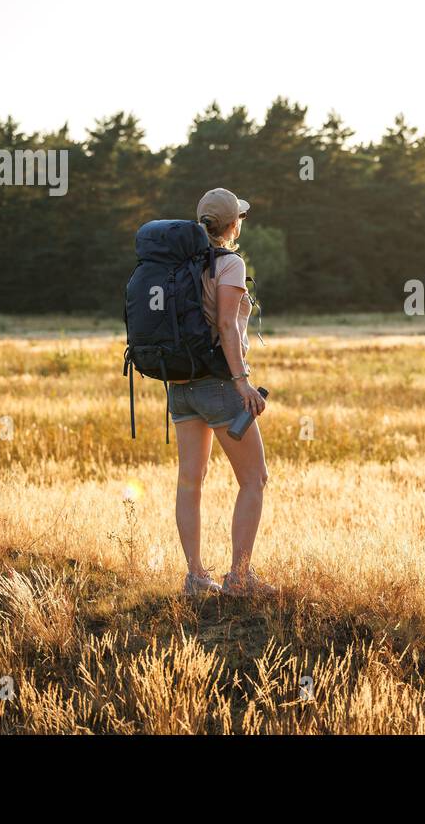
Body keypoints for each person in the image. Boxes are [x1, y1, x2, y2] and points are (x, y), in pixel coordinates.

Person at [168, 187, 274, 598]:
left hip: (180, 385)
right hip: (218, 384)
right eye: (239, 219)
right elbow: (227, 326)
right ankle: (239, 578)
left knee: (190, 481)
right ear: (232, 225)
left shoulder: (179, 263)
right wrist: (241, 381)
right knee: (254, 479)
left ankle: (196, 577)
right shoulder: (230, 264)